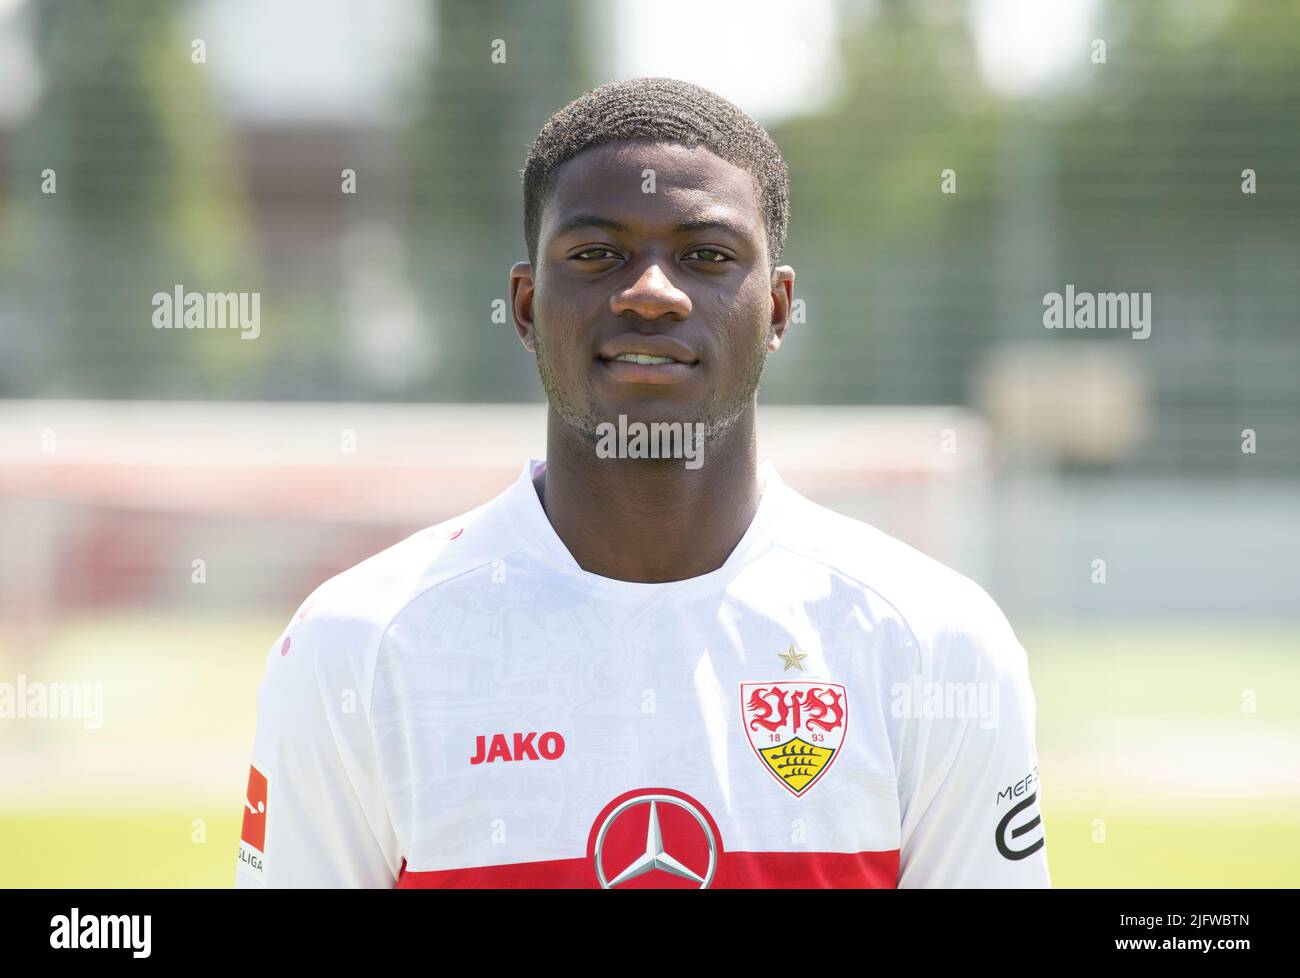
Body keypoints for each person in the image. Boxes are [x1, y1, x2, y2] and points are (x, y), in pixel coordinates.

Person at [236, 77, 1049, 889]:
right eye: (597, 255)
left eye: (707, 256)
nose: (650, 293)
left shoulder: (935, 644)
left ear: (777, 309)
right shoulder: (359, 645)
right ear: (526, 307)